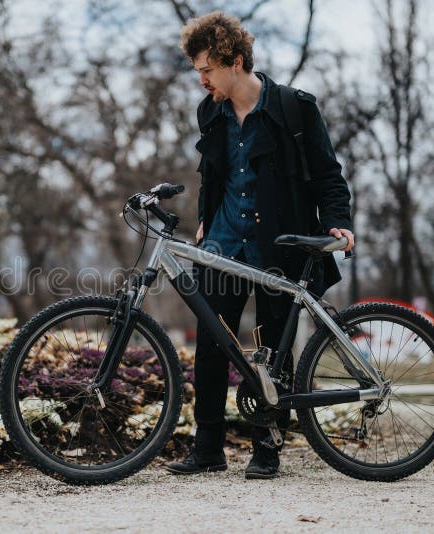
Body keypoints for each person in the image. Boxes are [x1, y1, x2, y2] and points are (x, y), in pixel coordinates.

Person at [166, 11, 355, 480]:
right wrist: (207, 219)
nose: (202, 80)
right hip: (225, 244)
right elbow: (215, 172)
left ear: (236, 61)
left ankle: (266, 449)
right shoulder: (210, 112)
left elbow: (329, 175)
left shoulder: (295, 108)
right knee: (213, 344)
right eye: (198, 72)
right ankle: (207, 448)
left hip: (279, 246)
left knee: (275, 345)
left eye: (207, 70)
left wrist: (337, 222)